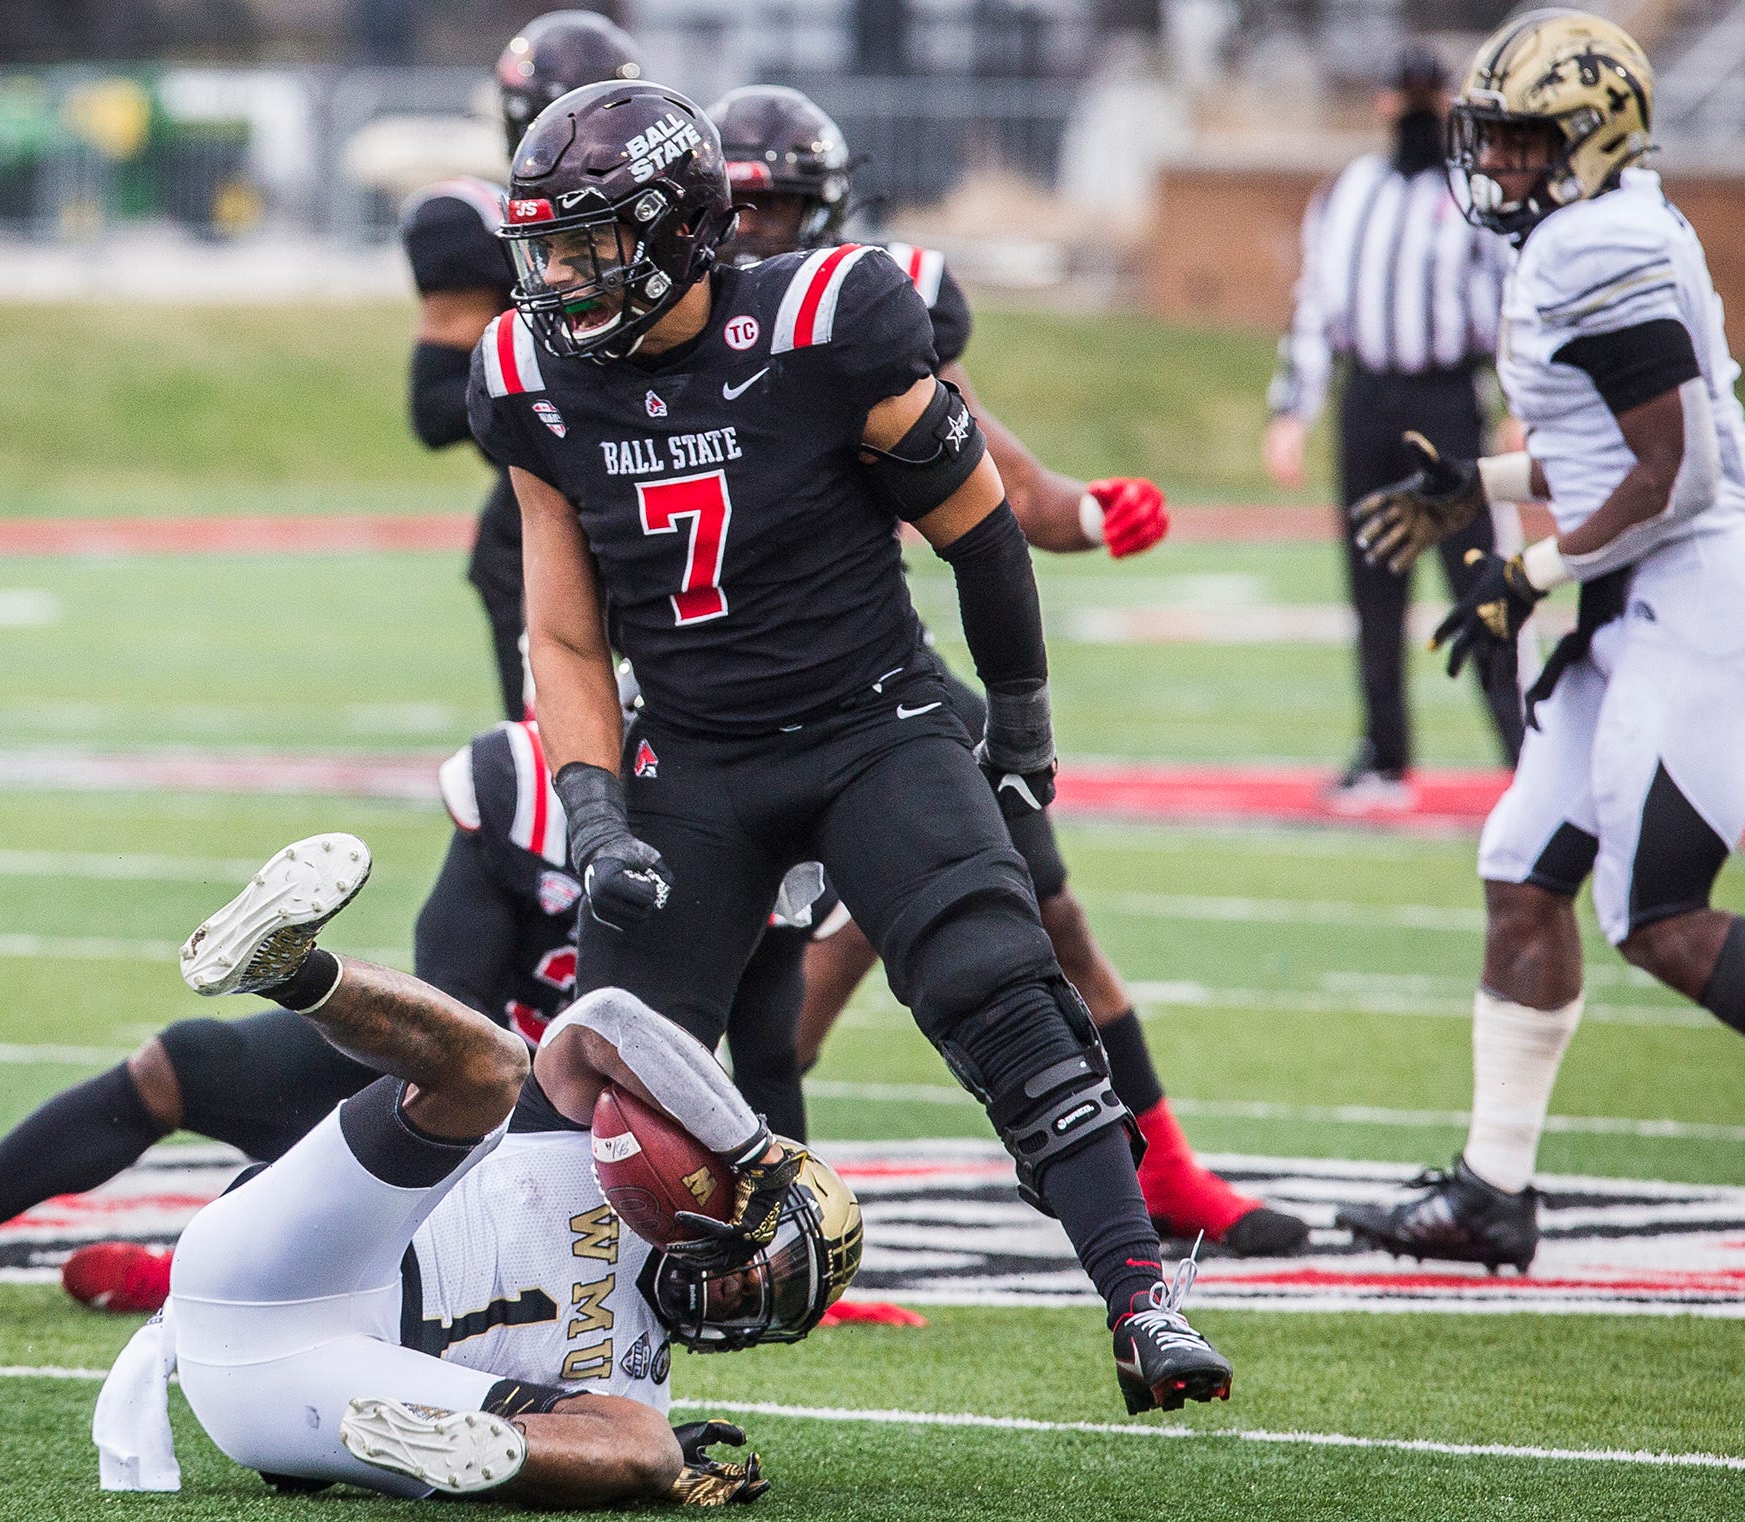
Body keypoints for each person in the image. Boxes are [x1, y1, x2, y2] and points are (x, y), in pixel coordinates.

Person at [468, 80, 1232, 1413]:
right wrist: (592, 811)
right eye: (550, 250)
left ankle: (1140, 1299)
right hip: (694, 755)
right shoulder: (531, 379)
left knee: (1000, 984)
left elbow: (982, 531)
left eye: (593, 245)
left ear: (684, 229)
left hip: (871, 724)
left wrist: (1020, 722)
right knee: (601, 1058)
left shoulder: (827, 323)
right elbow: (568, 636)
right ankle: (552, 1372)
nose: (565, 281)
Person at [711, 83, 1306, 1256]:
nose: (751, 231)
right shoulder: (642, 333)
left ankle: (1162, 1170)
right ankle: (741, 1195)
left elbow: (992, 482)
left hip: (872, 677)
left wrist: (1086, 511)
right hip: (715, 695)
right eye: (735, 206)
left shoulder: (863, 311)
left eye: (773, 206)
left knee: (1045, 909)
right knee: (756, 964)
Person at [0, 716, 823, 1313]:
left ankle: (203, 1275)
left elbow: (767, 1055)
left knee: (400, 1237)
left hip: (594, 1134)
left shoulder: (762, 811)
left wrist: (785, 1228)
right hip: (476, 1072)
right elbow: (452, 986)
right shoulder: (518, 775)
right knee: (182, 1063)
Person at [1335, 11, 1745, 1271]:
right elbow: (1612, 449)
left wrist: (1530, 569)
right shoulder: (1593, 229)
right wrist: (1484, 482)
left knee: (1658, 912)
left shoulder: (1600, 244)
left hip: (1697, 592)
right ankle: (1493, 1190)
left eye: (1522, 140)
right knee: (1522, 871)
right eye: (1493, 137)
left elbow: (1676, 473)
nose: (1495, 161)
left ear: (1592, 139)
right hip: (1644, 586)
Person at [94, 832, 859, 1503]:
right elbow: (606, 1018)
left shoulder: (637, 1395)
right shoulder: (600, 1153)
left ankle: (466, 1448)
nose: (740, 1289)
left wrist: (635, 1472)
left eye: (767, 1301)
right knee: (496, 1066)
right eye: (763, 1263)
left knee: (649, 1448)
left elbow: (637, 1450)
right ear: (738, 1199)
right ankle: (289, 969)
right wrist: (752, 1146)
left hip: (308, 1394)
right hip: (277, 1262)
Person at [1264, 44, 1526, 809]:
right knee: (1372, 577)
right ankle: (1384, 753)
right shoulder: (1349, 191)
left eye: (1425, 96)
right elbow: (1316, 304)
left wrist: (1521, 405)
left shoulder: (1478, 194)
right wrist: (1293, 409)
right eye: (1403, 95)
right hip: (1370, 397)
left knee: (1477, 575)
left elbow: (1517, 305)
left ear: (1447, 102)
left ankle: (1526, 754)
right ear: (1382, 102)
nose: (1413, 110)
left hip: (1446, 402)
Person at [401, 10, 644, 720]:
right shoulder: (472, 223)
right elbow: (435, 407)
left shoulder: (674, 208)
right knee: (565, 748)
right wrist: (559, 400)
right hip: (552, 517)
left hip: (674, 499)